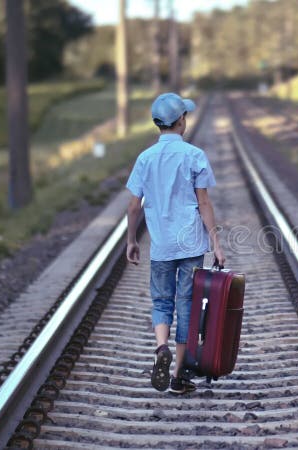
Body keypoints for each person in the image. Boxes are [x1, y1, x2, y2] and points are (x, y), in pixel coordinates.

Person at [125, 93, 226, 394]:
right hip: (192, 245)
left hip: (161, 246)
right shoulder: (194, 155)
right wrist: (216, 243)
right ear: (181, 120)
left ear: (157, 123)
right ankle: (179, 374)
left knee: (161, 301)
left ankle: (160, 348)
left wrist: (132, 240)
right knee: (187, 305)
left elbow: (133, 207)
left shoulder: (144, 159)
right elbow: (204, 202)